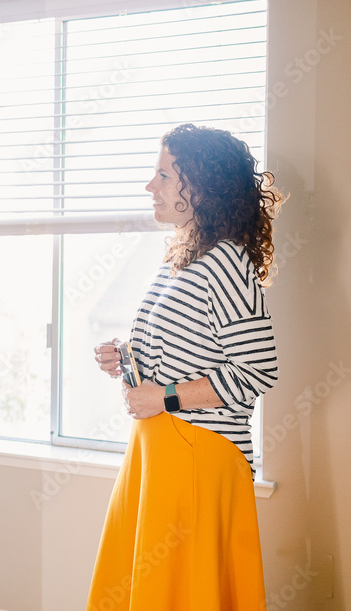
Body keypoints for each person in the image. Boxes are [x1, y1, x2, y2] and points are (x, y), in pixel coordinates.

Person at [86, 123, 283, 610]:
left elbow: (257, 370)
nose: (150, 186)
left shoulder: (229, 262)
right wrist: (127, 357)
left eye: (164, 176)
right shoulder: (182, 257)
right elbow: (187, 347)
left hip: (199, 453)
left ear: (201, 187)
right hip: (160, 448)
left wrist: (164, 396)